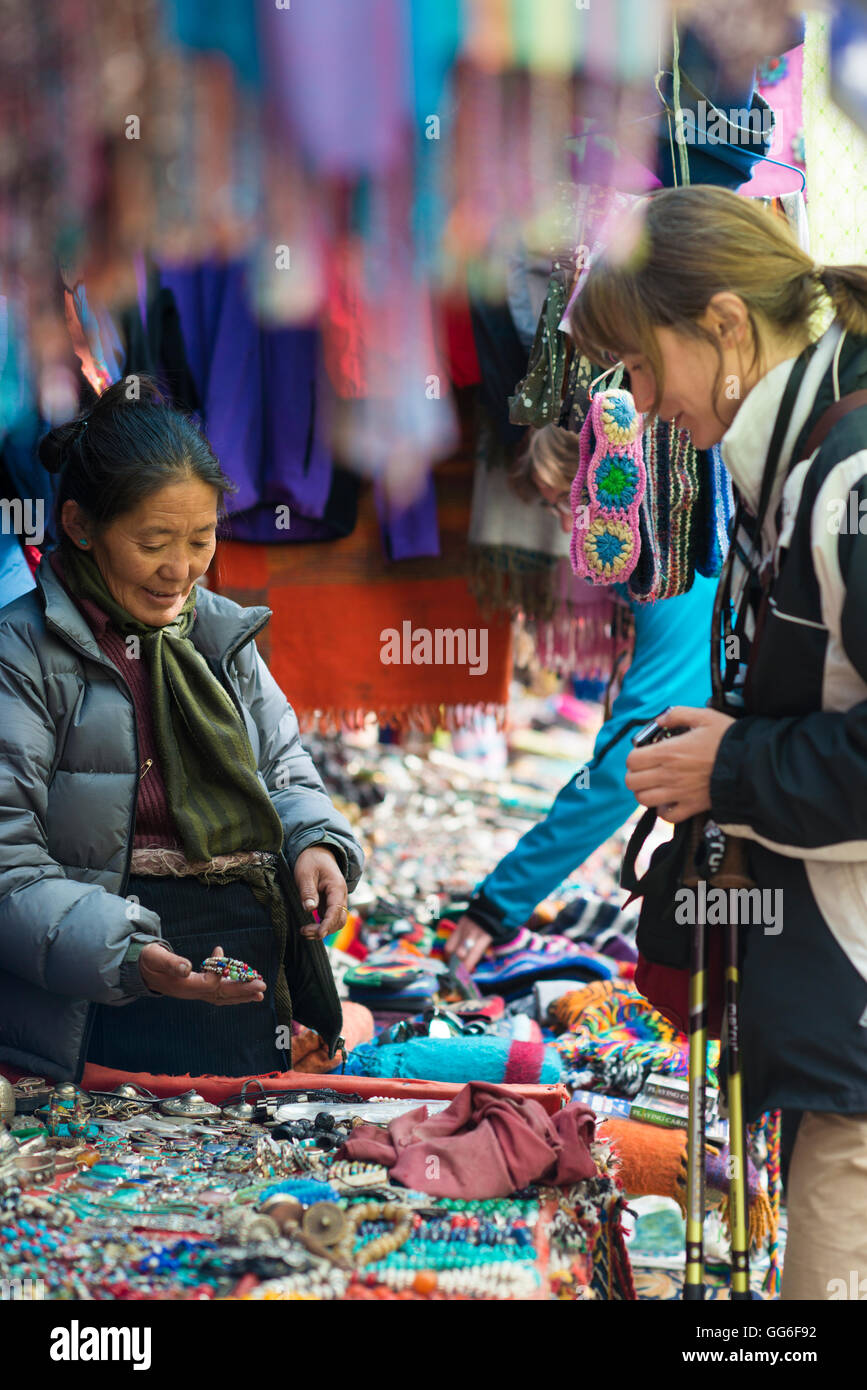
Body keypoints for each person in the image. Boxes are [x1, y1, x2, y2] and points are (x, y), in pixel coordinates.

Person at [569, 182, 867, 1301]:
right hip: (827, 1002)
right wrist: (732, 739)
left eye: (643, 368)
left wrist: (730, 766)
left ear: (728, 327)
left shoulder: (848, 478)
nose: (641, 405)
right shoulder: (799, 466)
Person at [0, 379, 364, 1083]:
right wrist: (129, 956)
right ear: (79, 526)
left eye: (201, 540)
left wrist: (316, 842)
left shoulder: (221, 634)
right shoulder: (22, 656)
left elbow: (283, 773)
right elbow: (8, 869)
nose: (180, 570)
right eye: (153, 543)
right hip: (97, 1006)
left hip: (243, 970)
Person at [444, 422, 717, 972]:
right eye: (553, 511)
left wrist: (499, 903)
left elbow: (630, 761)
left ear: (613, 490)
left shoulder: (672, 570)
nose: (568, 526)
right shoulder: (670, 551)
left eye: (571, 503)